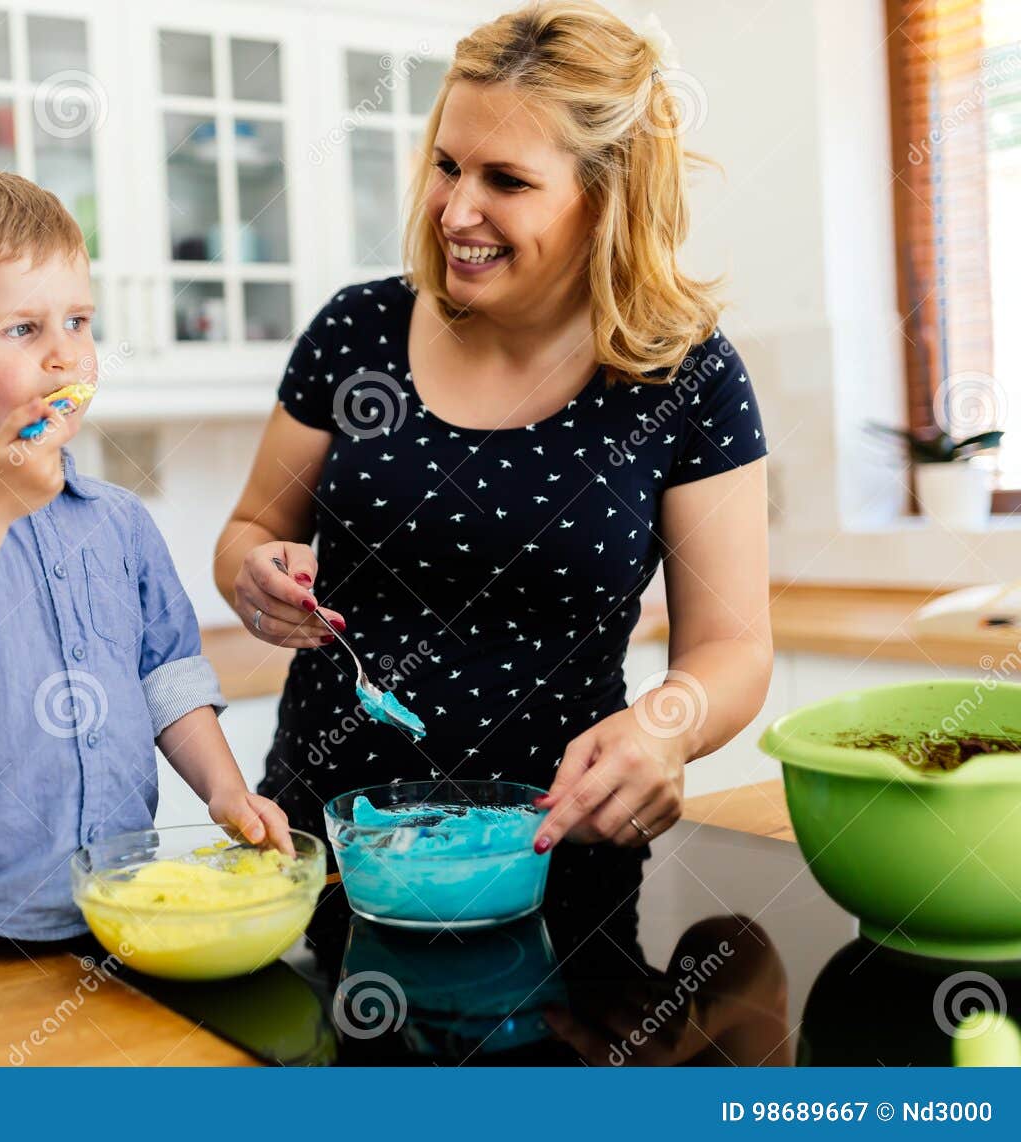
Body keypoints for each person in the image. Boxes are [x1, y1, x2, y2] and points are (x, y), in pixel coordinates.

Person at [214, 0, 772, 905]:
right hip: (323, 854)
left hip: (556, 863)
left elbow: (734, 650)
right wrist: (252, 572)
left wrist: (666, 727)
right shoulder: (357, 332)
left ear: (608, 197)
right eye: (446, 165)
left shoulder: (685, 375)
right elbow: (250, 529)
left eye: (506, 180)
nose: (455, 208)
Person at [0, 164, 290, 963]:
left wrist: (226, 788)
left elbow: (168, 674)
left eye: (78, 321)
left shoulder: (118, 520)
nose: (65, 355)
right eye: (23, 329)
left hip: (121, 904)